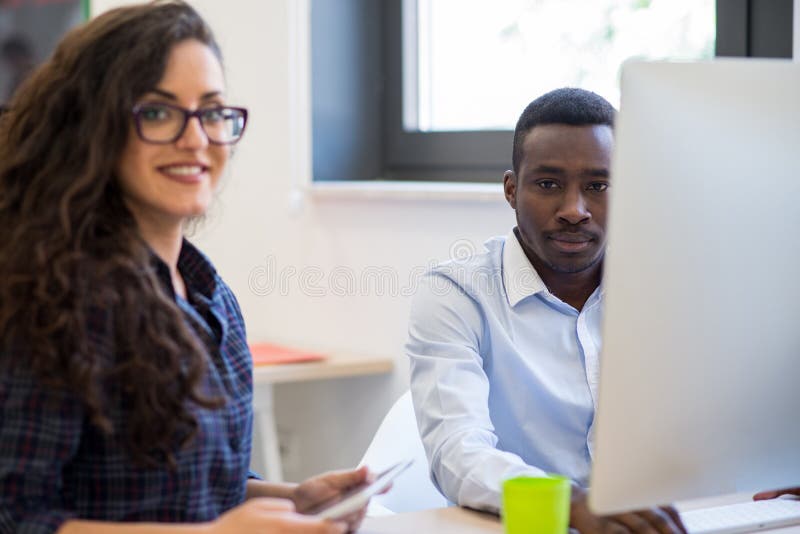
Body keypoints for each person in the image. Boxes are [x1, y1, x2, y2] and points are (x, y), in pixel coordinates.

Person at [0, 2, 369, 533]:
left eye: (212, 112)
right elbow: (18, 515)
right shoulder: (52, 295)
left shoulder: (208, 293)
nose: (195, 139)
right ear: (91, 130)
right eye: (158, 113)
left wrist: (294, 499)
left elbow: (193, 487)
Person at [406, 88, 687, 533]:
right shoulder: (457, 294)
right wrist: (570, 503)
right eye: (548, 184)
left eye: (598, 186)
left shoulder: (663, 289)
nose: (574, 210)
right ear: (511, 190)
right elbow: (456, 453)